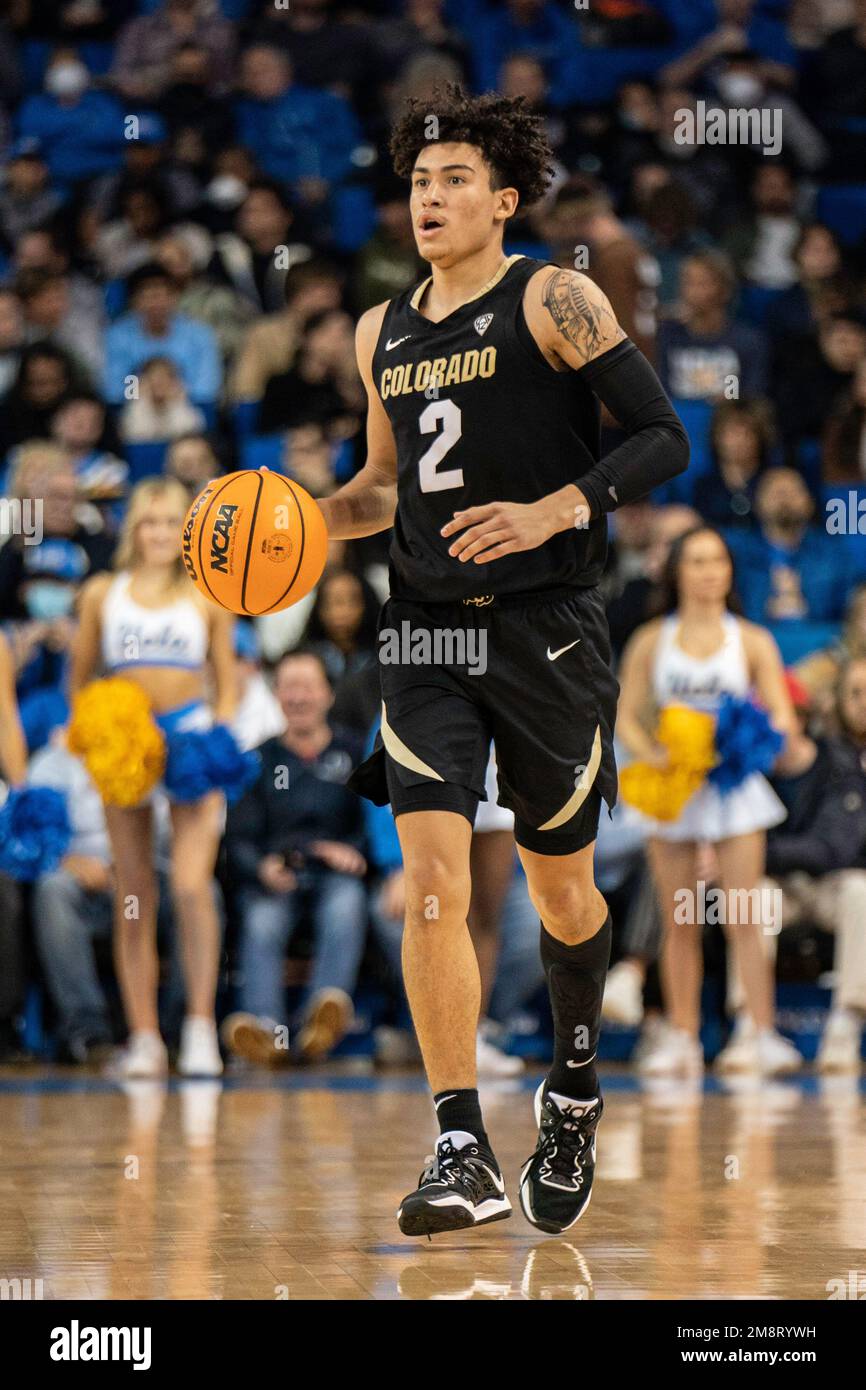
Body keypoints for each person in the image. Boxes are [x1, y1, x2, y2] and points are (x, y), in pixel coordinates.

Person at [315, 85, 689, 1237]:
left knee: (559, 887)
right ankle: (459, 1143)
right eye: (419, 183)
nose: (429, 199)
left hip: (548, 626)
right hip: (423, 629)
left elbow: (663, 438)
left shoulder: (554, 296)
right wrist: (285, 521)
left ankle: (572, 1087)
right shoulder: (383, 329)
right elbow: (382, 488)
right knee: (428, 880)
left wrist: (552, 509)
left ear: (505, 199)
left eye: (454, 182)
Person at [616, 525, 800, 1077]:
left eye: (717, 560)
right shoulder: (653, 638)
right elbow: (626, 714)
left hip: (733, 787)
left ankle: (761, 1032)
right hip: (675, 788)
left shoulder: (751, 639)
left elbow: (782, 713)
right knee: (680, 918)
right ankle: (683, 1037)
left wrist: (751, 740)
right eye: (696, 561)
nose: (708, 571)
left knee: (743, 914)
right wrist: (656, 752)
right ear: (677, 572)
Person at [69, 477, 237, 1079]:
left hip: (190, 742)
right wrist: (102, 736)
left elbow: (227, 682)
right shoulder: (101, 594)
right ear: (134, 530)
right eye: (149, 521)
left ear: (186, 531)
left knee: (192, 886)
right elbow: (81, 679)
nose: (160, 533)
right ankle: (144, 1037)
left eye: (171, 522)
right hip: (128, 745)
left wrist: (213, 736)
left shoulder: (209, 594)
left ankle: (198, 1028)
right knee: (134, 893)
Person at [221, 649, 368, 1064]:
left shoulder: (355, 753)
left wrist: (352, 852)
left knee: (347, 905)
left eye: (307, 686)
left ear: (327, 694)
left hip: (336, 876)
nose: (298, 697)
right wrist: (260, 866)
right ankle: (268, 1032)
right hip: (277, 876)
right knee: (263, 920)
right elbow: (237, 839)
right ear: (276, 695)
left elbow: (375, 826)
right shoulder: (259, 759)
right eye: (288, 687)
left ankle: (320, 1022)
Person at [763, 660, 866, 1072]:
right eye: (855, 693)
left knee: (862, 891)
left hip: (838, 884)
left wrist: (758, 853)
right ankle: (750, 1027)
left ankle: (846, 1022)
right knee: (744, 898)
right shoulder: (828, 756)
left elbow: (834, 850)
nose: (863, 704)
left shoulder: (840, 765)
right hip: (785, 886)